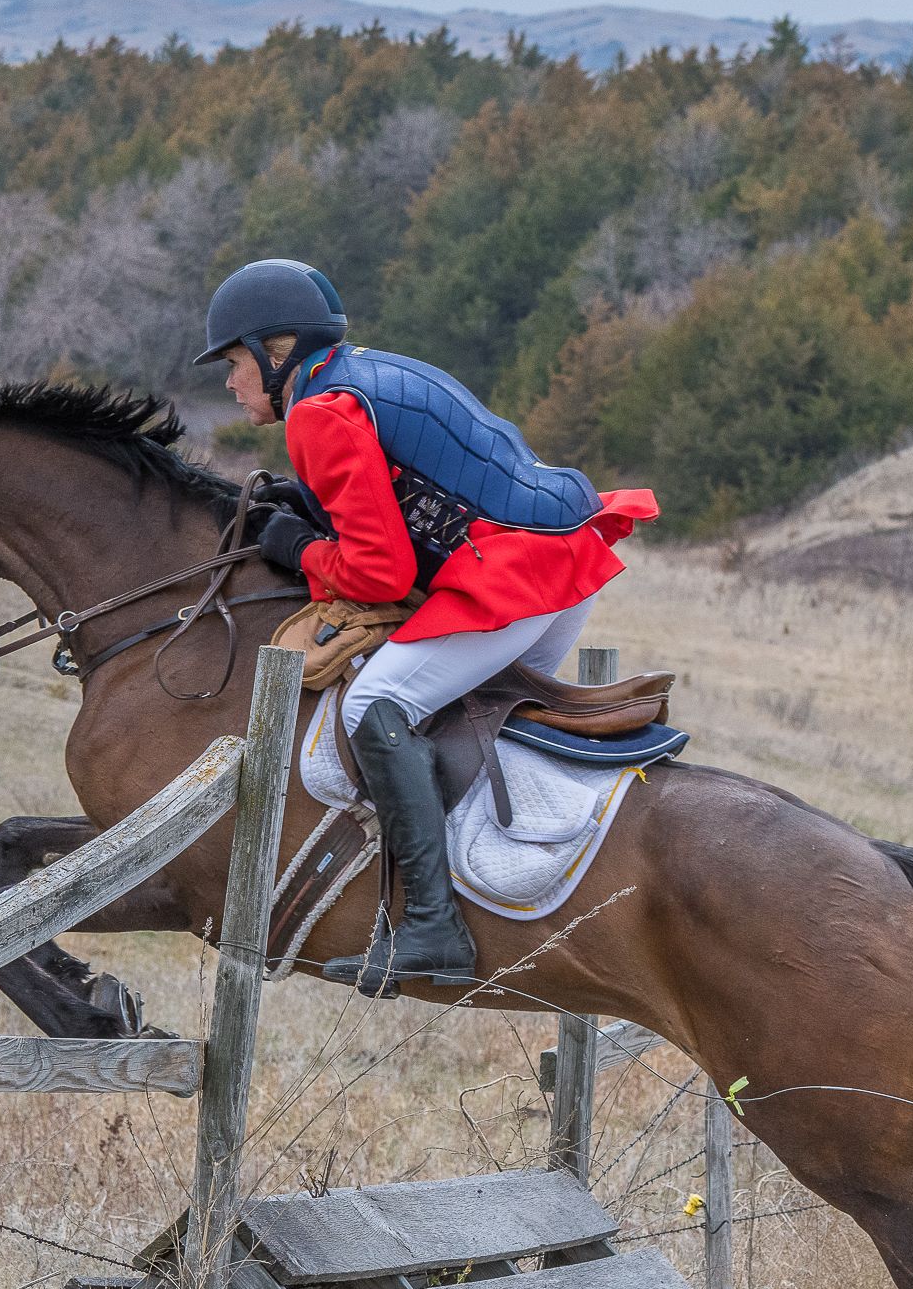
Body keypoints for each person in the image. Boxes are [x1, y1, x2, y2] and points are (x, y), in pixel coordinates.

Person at [198, 258, 658, 995]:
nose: (229, 382)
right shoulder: (366, 373)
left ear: (273, 352)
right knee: (449, 711)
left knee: (374, 706)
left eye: (232, 363)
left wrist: (298, 547)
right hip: (568, 561)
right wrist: (322, 514)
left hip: (514, 579)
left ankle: (433, 929)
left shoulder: (318, 412)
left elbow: (380, 575)